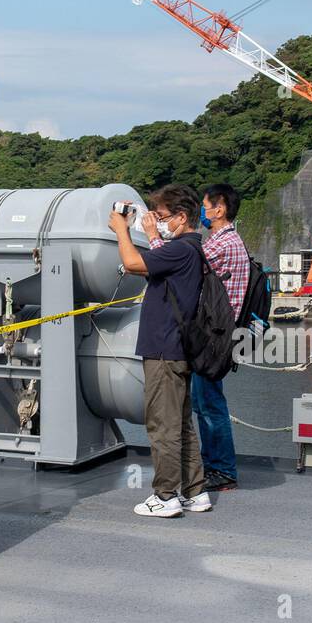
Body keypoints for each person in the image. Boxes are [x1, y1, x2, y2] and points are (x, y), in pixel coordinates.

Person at [108, 184, 209, 517]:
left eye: (163, 216)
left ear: (181, 217)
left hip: (165, 350)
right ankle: (195, 491)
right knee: (180, 422)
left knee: (162, 425)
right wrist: (151, 231)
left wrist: (122, 229)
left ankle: (165, 496)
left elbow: (133, 262)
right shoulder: (190, 247)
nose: (158, 221)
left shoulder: (181, 248)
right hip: (176, 347)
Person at [141, 183, 248, 491]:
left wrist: (153, 237)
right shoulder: (229, 241)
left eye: (206, 205)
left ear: (220, 209)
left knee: (208, 405)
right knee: (204, 404)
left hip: (211, 337)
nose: (204, 210)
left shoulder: (220, 244)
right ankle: (209, 469)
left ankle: (221, 470)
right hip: (221, 334)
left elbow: (181, 263)